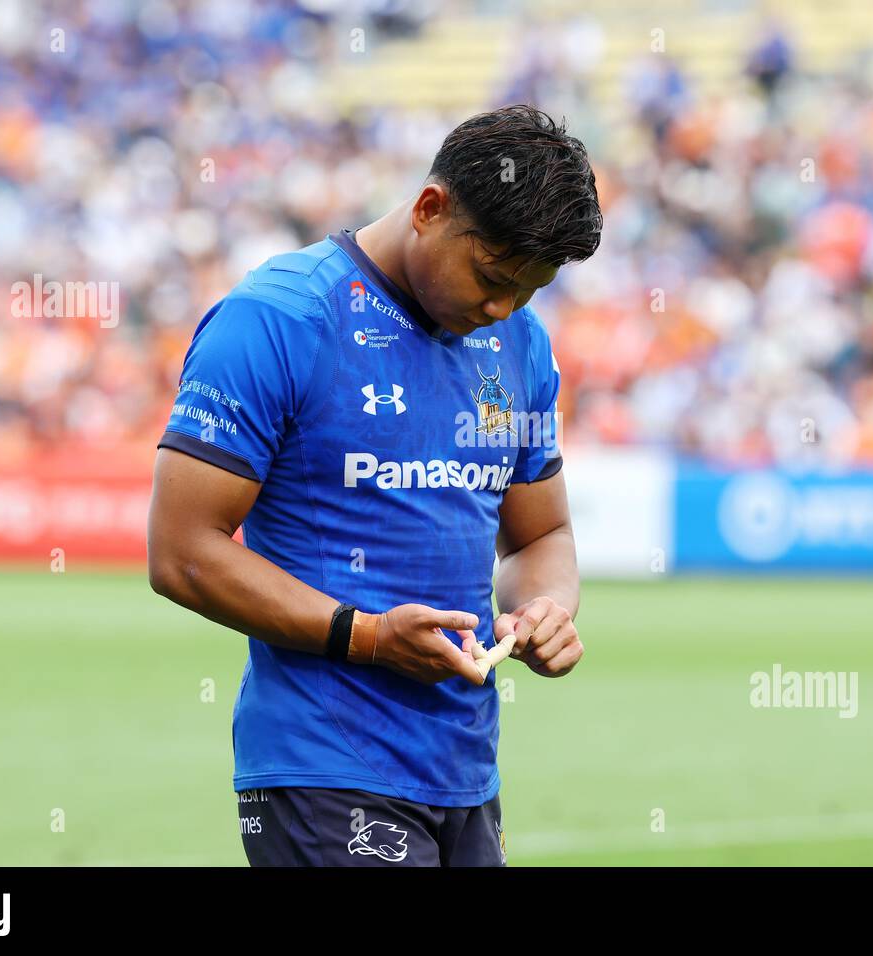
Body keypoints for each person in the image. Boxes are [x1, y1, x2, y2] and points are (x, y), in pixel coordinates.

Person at [147, 104, 603, 866]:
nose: (501, 309)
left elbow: (540, 536)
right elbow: (182, 551)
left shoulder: (519, 343)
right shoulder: (278, 317)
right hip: (324, 769)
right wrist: (367, 636)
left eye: (527, 291)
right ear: (430, 208)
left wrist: (543, 608)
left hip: (464, 771)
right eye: (491, 278)